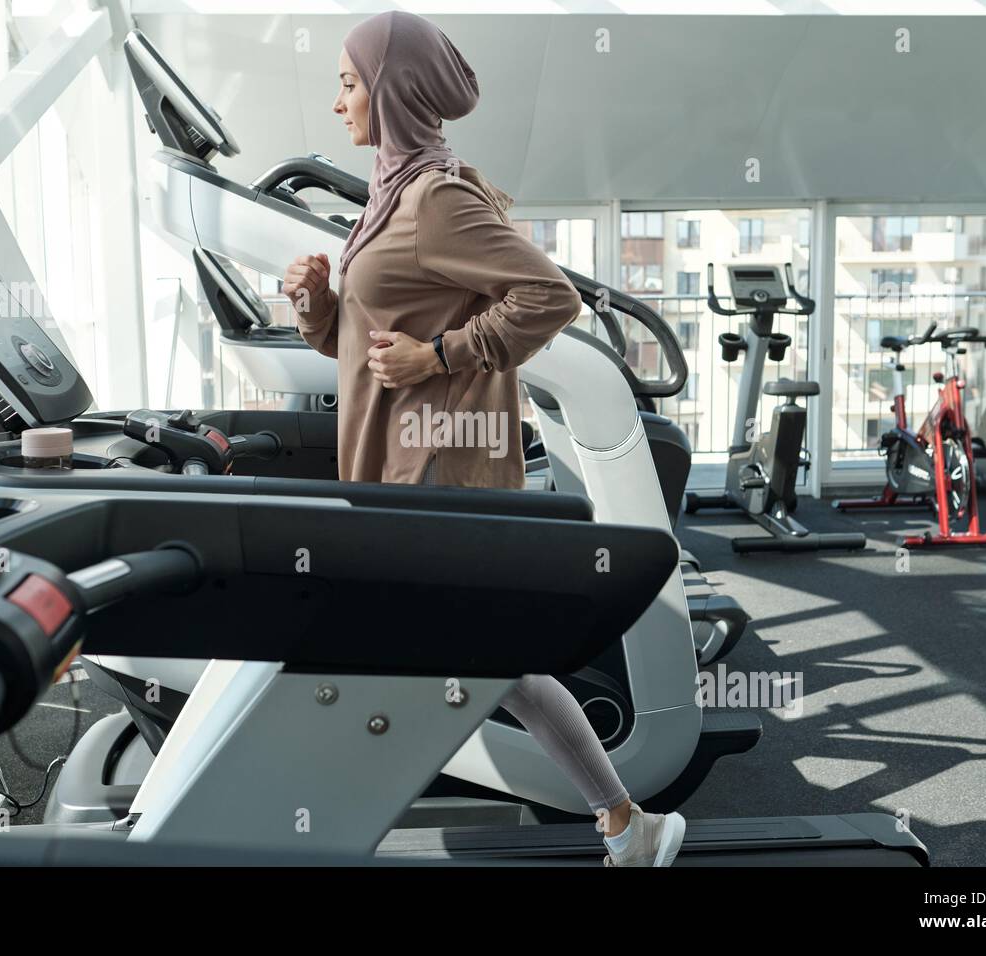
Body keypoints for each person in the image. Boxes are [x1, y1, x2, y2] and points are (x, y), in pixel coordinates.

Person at [281, 10, 685, 867]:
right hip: (391, 462)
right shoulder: (390, 193)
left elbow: (549, 298)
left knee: (421, 654)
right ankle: (624, 823)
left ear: (392, 88)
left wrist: (441, 354)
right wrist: (319, 307)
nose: (338, 102)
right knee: (496, 658)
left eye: (350, 83)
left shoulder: (435, 198)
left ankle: (311, 830)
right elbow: (368, 347)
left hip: (443, 464)